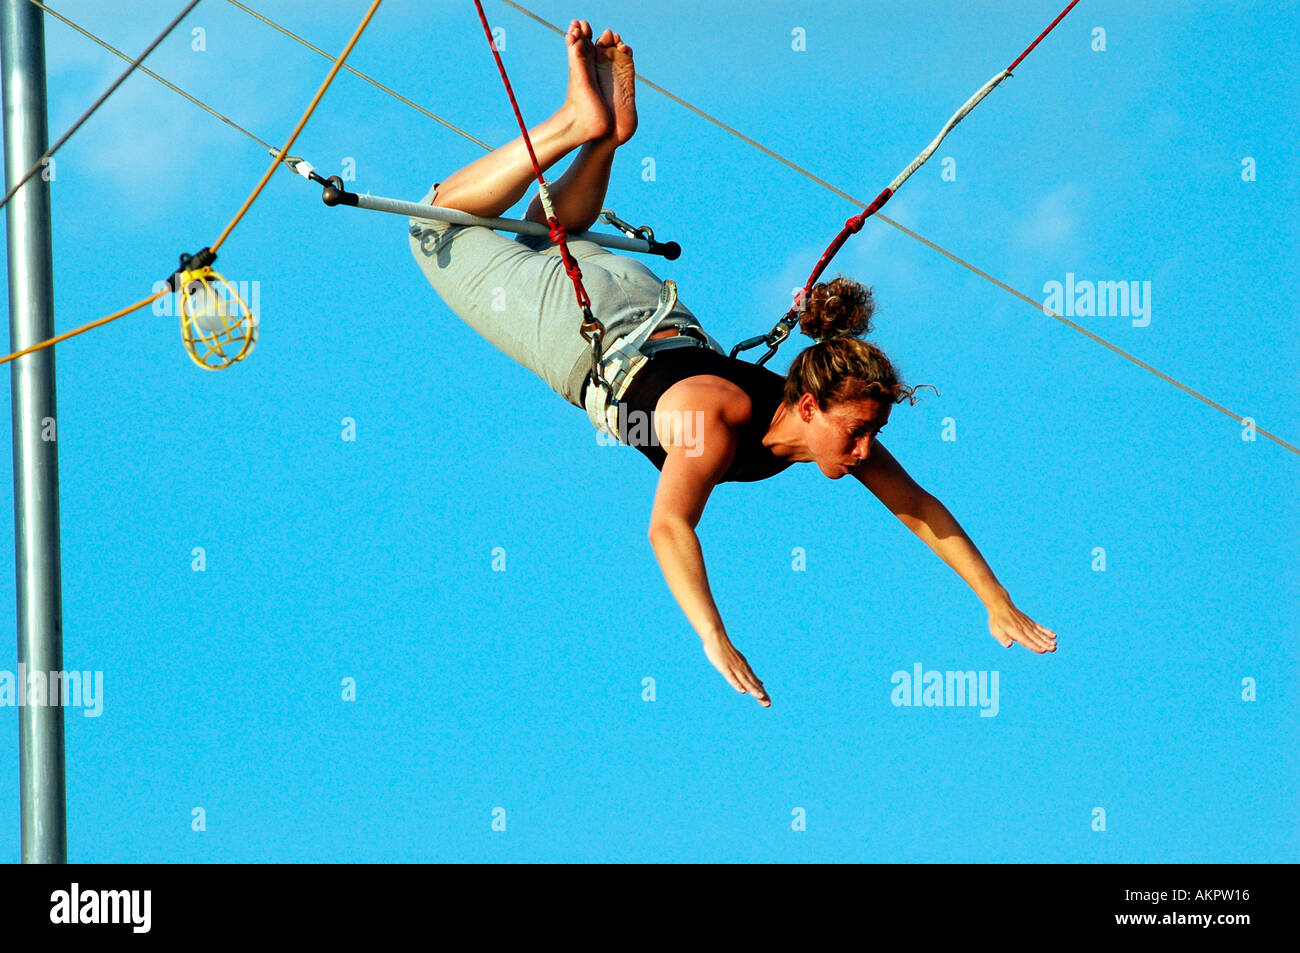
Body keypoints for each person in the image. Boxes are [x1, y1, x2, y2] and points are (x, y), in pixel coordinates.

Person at [409, 20, 1057, 708]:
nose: (867, 448)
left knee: (541, 232)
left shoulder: (823, 412)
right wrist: (714, 637)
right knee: (432, 224)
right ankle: (575, 123)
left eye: (872, 432)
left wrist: (996, 599)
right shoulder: (714, 425)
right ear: (809, 406)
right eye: (858, 431)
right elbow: (668, 526)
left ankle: (605, 140)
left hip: (639, 304)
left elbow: (919, 507)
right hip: (589, 327)